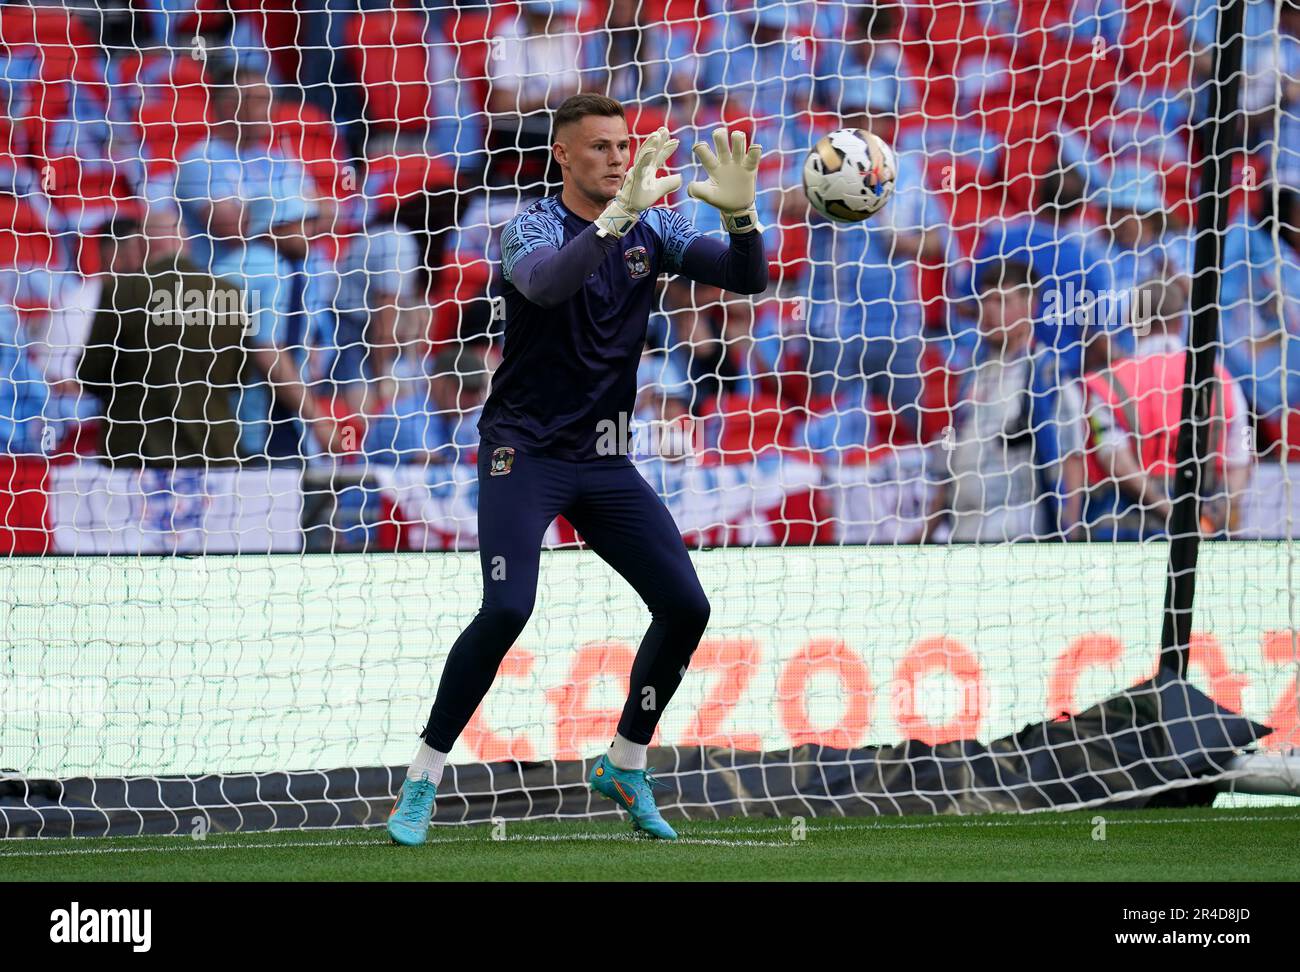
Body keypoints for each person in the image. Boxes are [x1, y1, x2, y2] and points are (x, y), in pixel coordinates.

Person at [387, 94, 771, 845]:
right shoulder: (528, 225)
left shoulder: (654, 223)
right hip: (521, 452)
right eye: (599, 147)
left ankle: (626, 761)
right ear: (563, 155)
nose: (618, 158)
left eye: (624, 146)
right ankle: (424, 777)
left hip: (603, 458)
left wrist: (742, 218)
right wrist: (617, 217)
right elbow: (550, 285)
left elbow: (746, 279)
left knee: (687, 606)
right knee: (506, 611)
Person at [78, 210, 338, 467]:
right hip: (214, 451)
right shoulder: (228, 294)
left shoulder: (121, 292)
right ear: (186, 242)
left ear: (142, 246)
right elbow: (240, 377)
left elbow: (90, 375)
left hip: (137, 454)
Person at [924, 260, 1086, 543]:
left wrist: (1069, 535)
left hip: (1019, 535)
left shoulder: (1047, 376)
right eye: (986, 301)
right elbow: (950, 445)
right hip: (964, 532)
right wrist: (926, 531)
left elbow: (1071, 459)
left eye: (1002, 301)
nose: (990, 311)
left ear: (1030, 306)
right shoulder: (970, 378)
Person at [1081, 279, 1254, 539]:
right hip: (1205, 522)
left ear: (1132, 320)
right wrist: (1218, 511)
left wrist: (1168, 509)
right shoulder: (1222, 379)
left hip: (1127, 530)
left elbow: (1114, 458)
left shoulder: (1108, 382)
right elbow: (1242, 453)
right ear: (1181, 320)